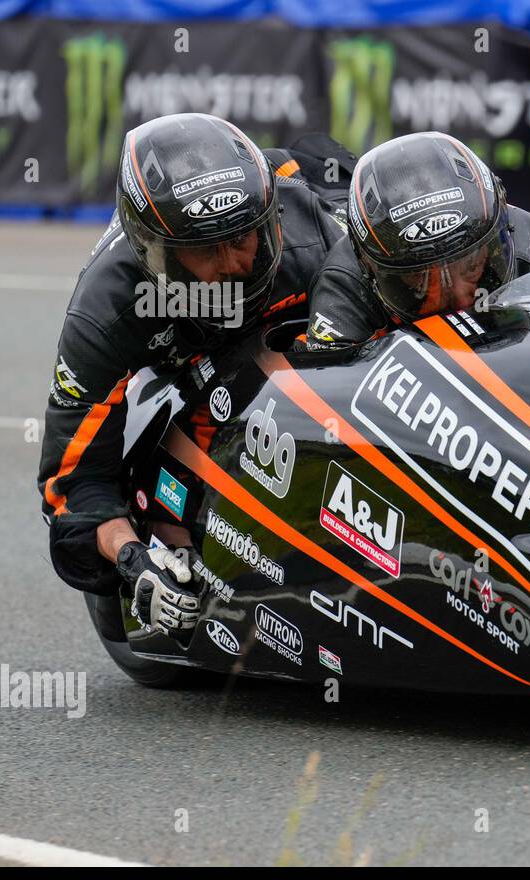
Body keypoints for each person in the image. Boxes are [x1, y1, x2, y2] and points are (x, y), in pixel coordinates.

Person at [37, 112, 348, 635]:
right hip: (183, 360)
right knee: (87, 559)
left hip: (311, 193)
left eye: (243, 239)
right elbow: (69, 486)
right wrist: (131, 558)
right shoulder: (107, 312)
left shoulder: (310, 235)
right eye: (206, 250)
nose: (232, 265)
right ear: (157, 257)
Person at [297, 131, 530, 350]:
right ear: (369, 269)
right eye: (419, 278)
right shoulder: (344, 281)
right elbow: (330, 388)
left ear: (504, 231)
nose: (457, 299)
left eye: (469, 266)